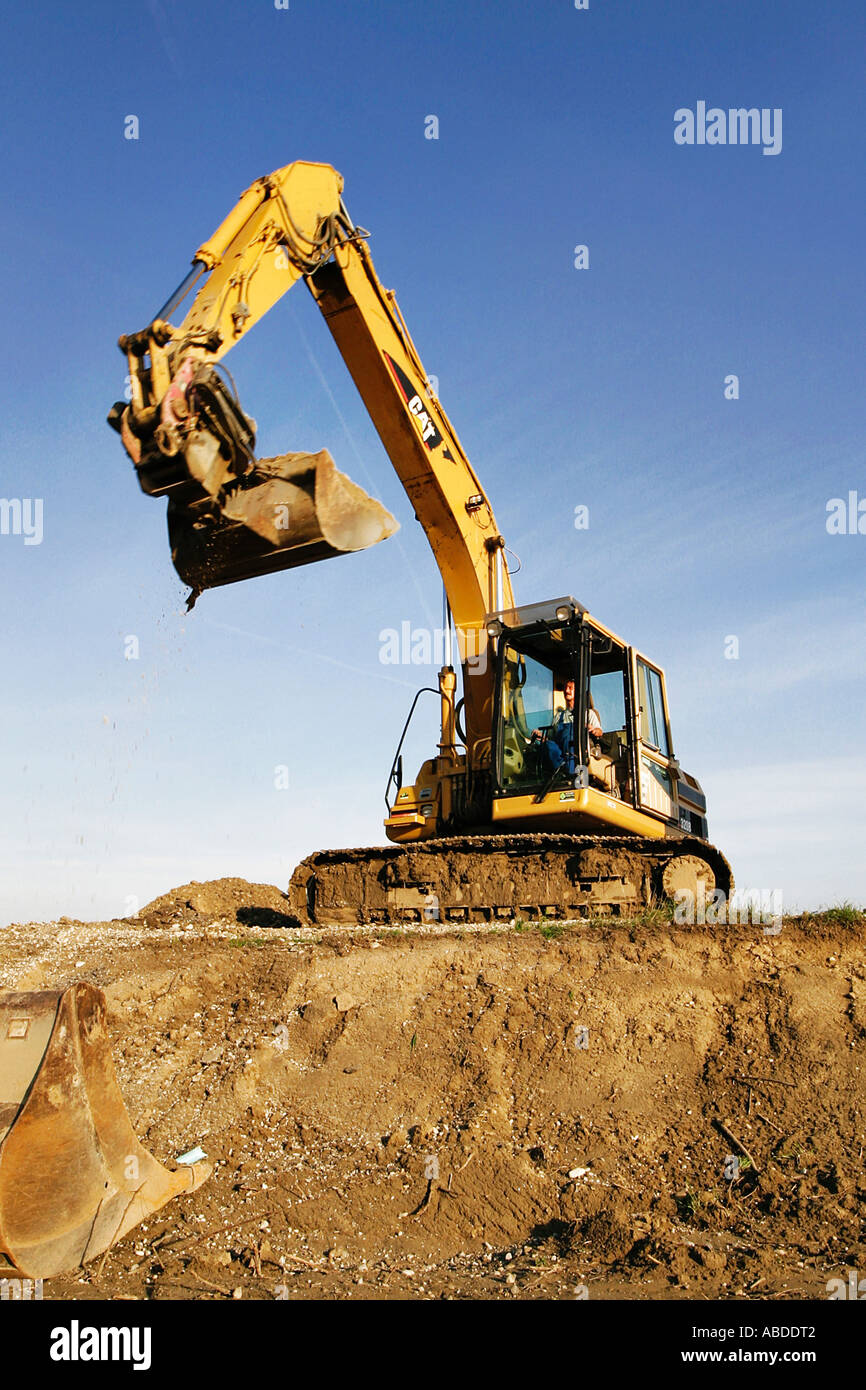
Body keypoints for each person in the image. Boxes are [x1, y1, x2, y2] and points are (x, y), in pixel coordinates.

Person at [534, 679, 602, 774]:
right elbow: (551, 737)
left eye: (570, 688)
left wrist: (593, 729)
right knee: (548, 746)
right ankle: (561, 772)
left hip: (578, 750)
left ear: (578, 692)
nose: (566, 690)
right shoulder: (558, 716)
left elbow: (599, 731)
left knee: (571, 737)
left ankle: (572, 774)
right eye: (566, 688)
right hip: (561, 751)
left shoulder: (588, 713)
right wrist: (541, 736)